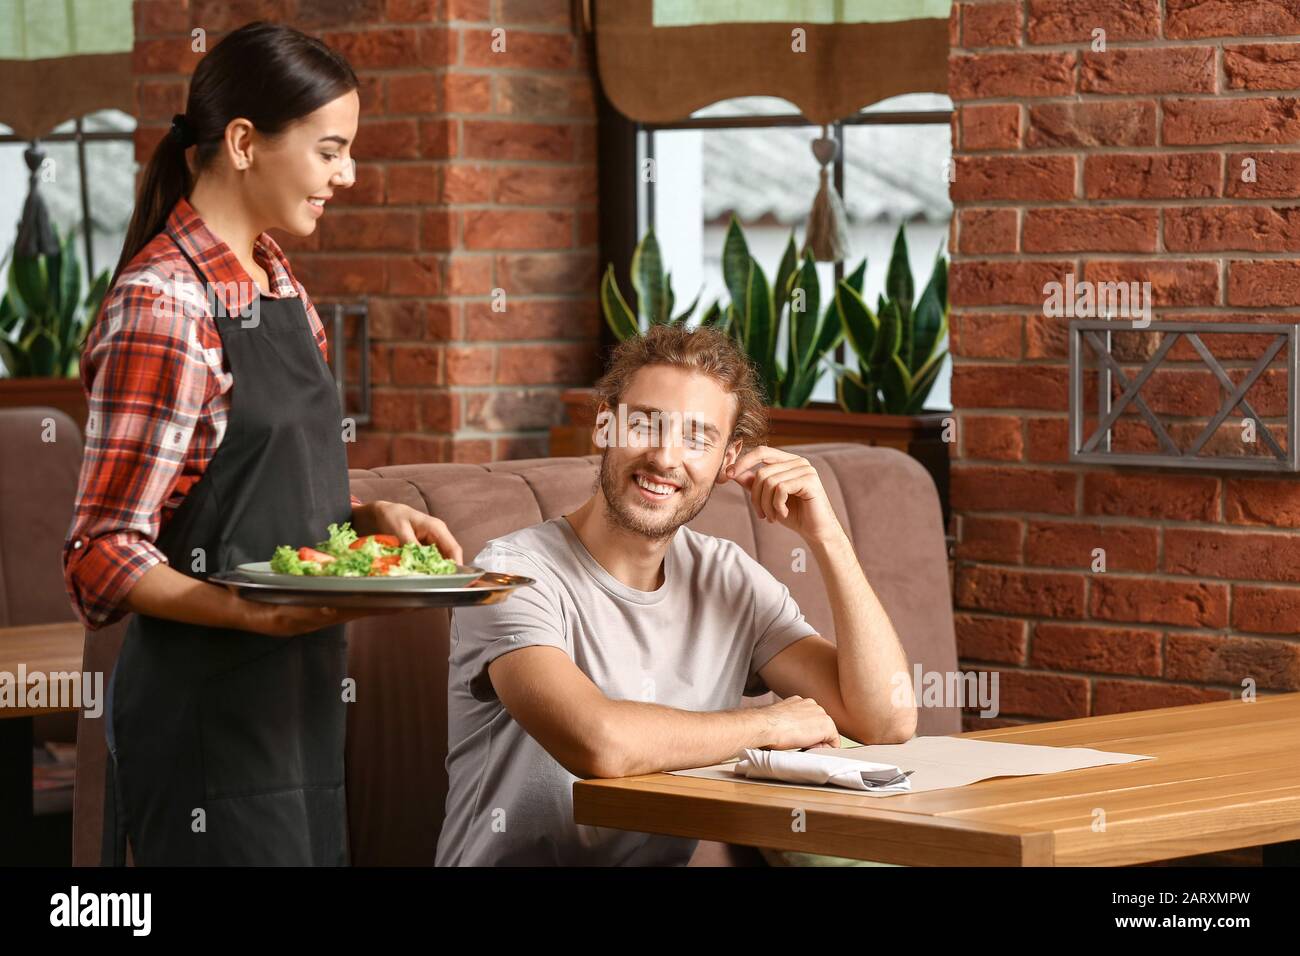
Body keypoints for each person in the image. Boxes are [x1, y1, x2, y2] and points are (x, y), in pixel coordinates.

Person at [62, 21, 462, 866]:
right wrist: (247, 612)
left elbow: (245, 491)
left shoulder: (277, 281)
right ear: (244, 143)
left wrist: (363, 518)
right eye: (330, 150)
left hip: (300, 703)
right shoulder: (164, 306)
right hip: (207, 715)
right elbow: (102, 555)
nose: (348, 175)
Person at [436, 323, 916, 866]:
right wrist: (772, 726)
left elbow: (887, 719)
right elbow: (600, 742)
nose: (666, 458)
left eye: (697, 437)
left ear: (728, 459)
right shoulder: (510, 575)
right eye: (644, 423)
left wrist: (827, 536)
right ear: (604, 425)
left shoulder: (727, 577)